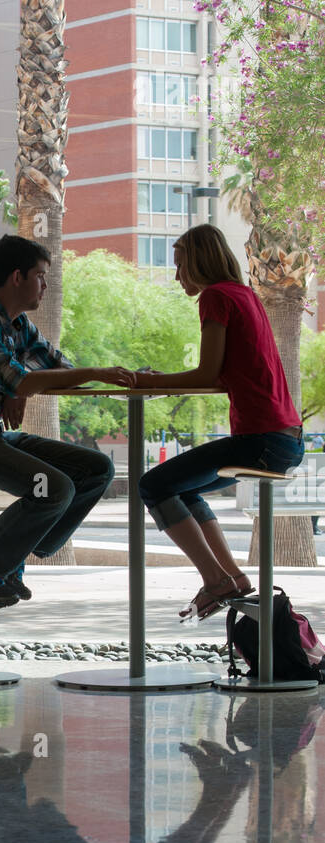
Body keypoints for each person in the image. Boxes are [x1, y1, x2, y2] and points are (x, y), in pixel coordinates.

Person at [0, 234, 128, 607]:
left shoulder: (18, 326)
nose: (45, 285)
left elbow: (56, 367)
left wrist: (19, 389)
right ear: (17, 277)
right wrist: (21, 385)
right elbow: (19, 377)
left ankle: (14, 553)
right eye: (41, 276)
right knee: (56, 488)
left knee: (96, 468)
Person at [129, 224, 305, 620]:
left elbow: (207, 374)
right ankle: (234, 578)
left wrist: (149, 382)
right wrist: (165, 382)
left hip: (260, 440)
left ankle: (216, 580)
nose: (177, 277)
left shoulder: (216, 296)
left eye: (180, 267)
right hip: (285, 439)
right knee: (183, 491)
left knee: (152, 484)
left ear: (198, 262)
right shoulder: (245, 295)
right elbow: (229, 371)